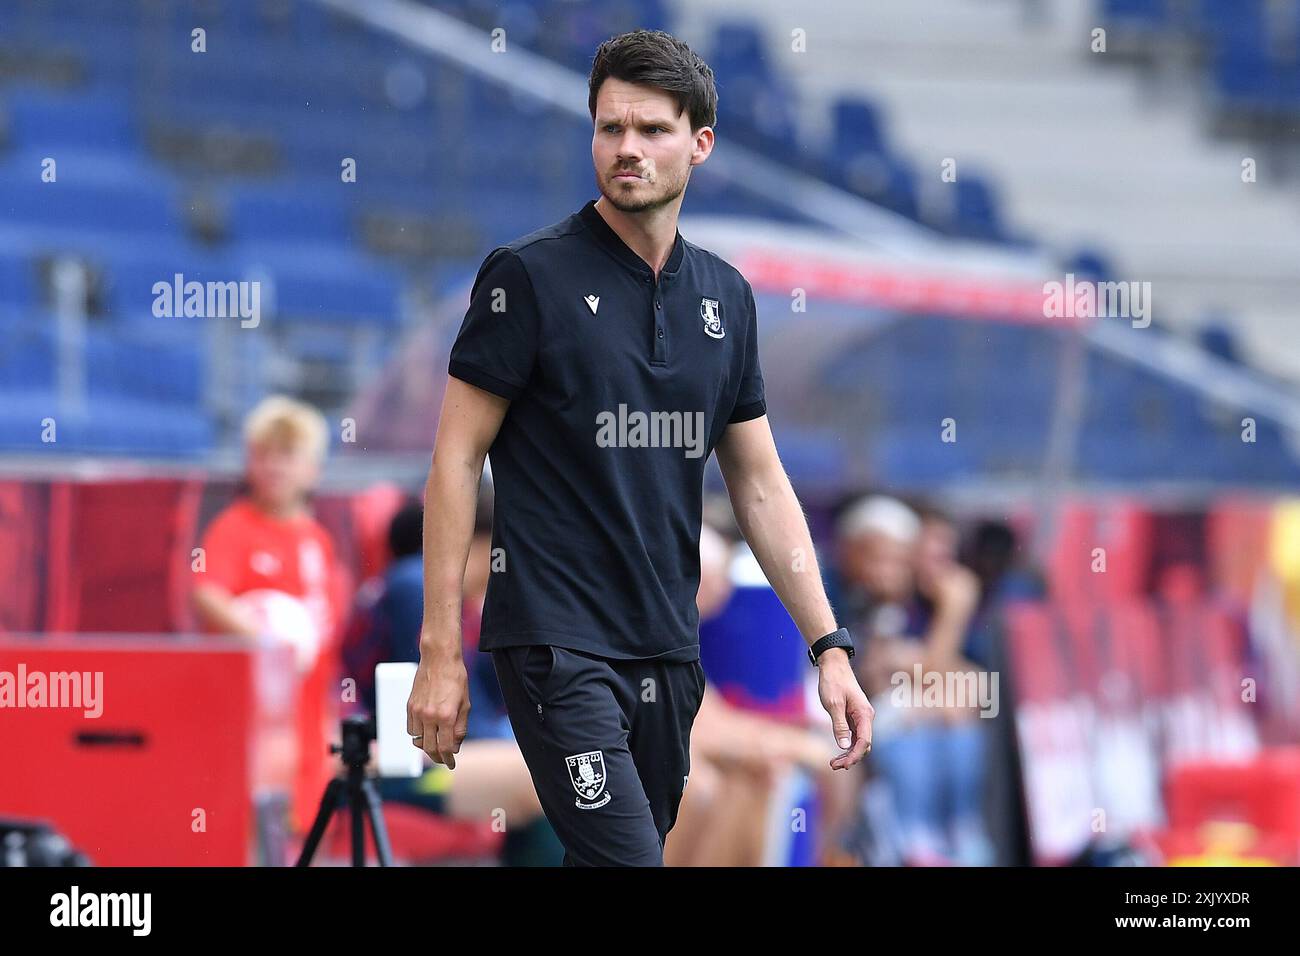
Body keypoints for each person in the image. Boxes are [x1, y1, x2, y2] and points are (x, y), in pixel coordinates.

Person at [407, 29, 873, 866]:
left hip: (667, 651)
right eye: (609, 128)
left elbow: (761, 485)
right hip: (556, 643)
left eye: (652, 130)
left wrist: (830, 648)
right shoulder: (525, 278)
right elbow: (453, 461)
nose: (627, 149)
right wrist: (440, 651)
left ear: (699, 145)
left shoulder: (726, 298)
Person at [341, 498, 560, 864]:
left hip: (434, 755)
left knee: (565, 761)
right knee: (546, 776)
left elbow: (492, 702)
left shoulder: (465, 603)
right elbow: (436, 713)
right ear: (484, 543)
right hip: (394, 766)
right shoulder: (416, 583)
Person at [191, 394, 350, 834]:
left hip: (306, 719)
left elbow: (321, 640)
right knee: (249, 828)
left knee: (306, 830)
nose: (274, 466)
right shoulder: (234, 526)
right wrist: (265, 640)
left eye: (287, 455)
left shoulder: (319, 541)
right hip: (248, 715)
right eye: (264, 454)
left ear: (313, 468)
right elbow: (207, 593)